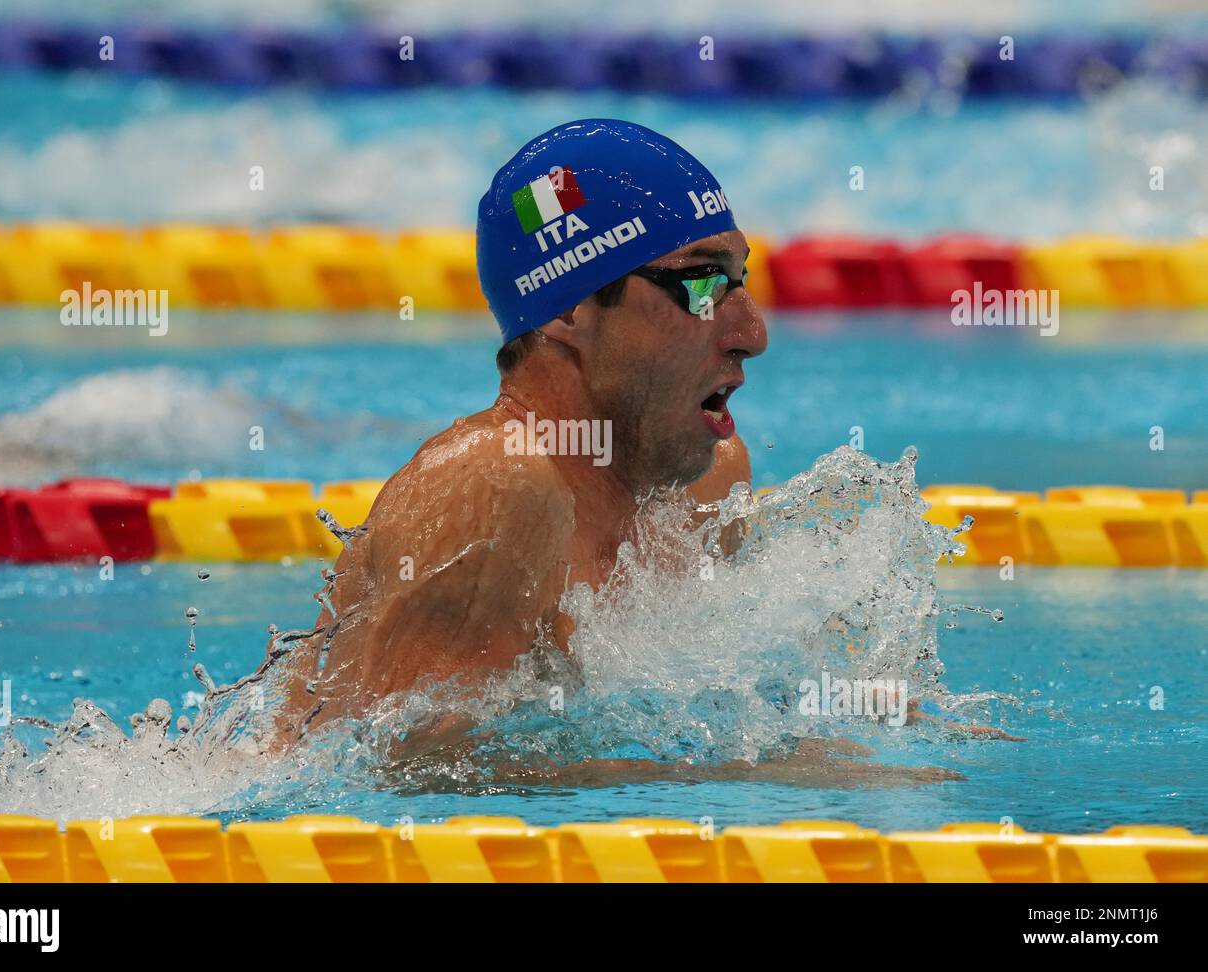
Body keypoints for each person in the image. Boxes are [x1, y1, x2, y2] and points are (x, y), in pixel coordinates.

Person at [277, 119, 975, 785]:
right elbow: (410, 776)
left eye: (740, 280)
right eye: (701, 282)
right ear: (569, 310)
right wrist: (766, 775)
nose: (751, 332)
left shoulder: (701, 484)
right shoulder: (494, 486)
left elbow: (712, 704)